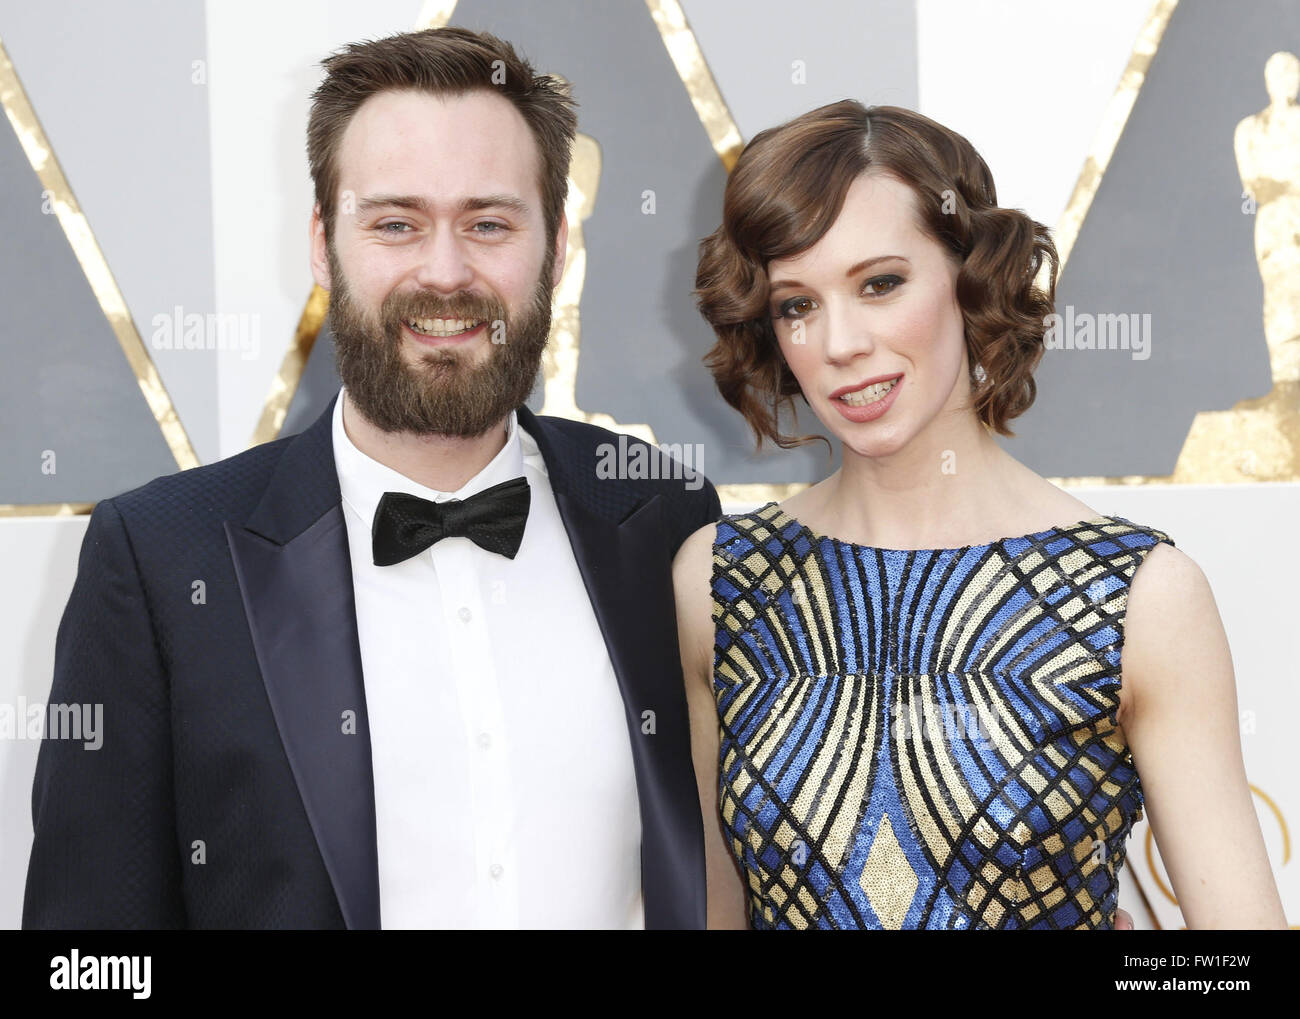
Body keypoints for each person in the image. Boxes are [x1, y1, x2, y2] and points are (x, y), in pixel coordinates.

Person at [24, 27, 717, 930]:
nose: (445, 272)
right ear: (321, 244)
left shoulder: (665, 516)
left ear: (555, 245)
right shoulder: (160, 560)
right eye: (396, 222)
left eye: (489, 223)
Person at [674, 100, 1288, 929]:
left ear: (969, 278)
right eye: (797, 304)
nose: (840, 342)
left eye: (880, 283)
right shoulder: (721, 582)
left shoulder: (1139, 598)